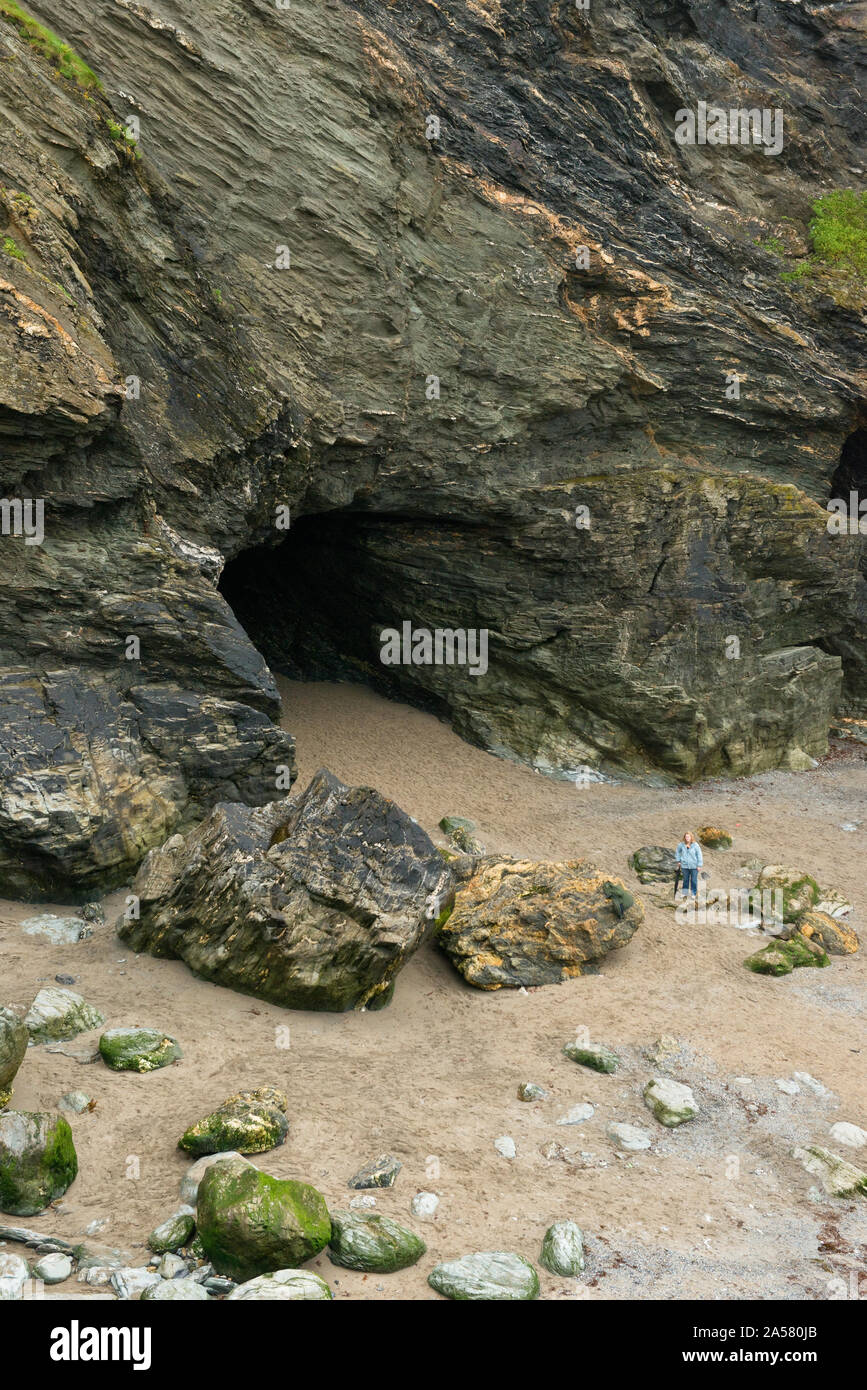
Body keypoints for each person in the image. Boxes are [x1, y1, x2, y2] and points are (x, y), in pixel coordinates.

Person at [676, 831, 703, 898]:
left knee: (693, 880)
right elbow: (678, 852)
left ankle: (693, 893)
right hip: (684, 866)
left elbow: (699, 855)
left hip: (694, 866)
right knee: (685, 880)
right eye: (686, 837)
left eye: (688, 836)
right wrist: (678, 860)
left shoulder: (695, 845)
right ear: (684, 837)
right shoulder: (681, 845)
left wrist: (699, 865)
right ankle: (685, 893)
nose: (687, 838)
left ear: (691, 837)